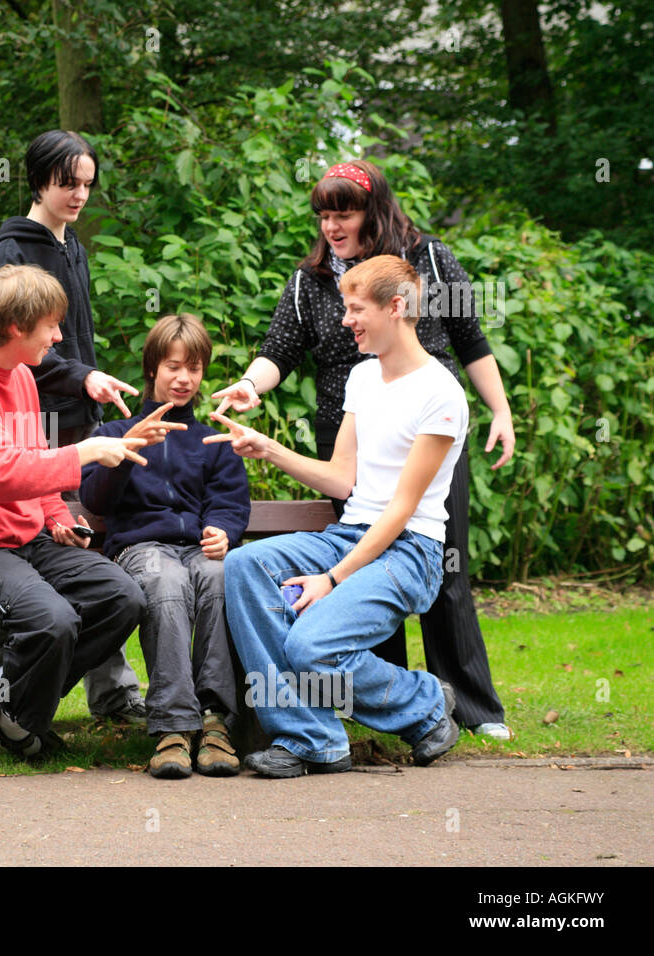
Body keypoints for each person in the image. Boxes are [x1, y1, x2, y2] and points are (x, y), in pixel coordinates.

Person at [212, 159, 513, 738]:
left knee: (441, 569)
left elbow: (471, 340)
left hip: (427, 429)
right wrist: (251, 389)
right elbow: (280, 348)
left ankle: (464, 705)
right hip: (349, 428)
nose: (331, 225)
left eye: (342, 213)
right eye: (323, 215)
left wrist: (499, 409)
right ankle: (372, 704)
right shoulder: (313, 280)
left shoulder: (427, 262)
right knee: (346, 572)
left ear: (372, 212)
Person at [214, 255, 464, 776]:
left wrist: (333, 577)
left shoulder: (442, 394)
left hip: (410, 550)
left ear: (395, 307)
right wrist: (268, 448)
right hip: (349, 533)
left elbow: (400, 509)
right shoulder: (363, 377)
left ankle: (426, 701)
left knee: (312, 647)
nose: (345, 320)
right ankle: (311, 737)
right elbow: (342, 480)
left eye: (355, 309)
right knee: (244, 565)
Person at [0, 129, 147, 723]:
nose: (80, 193)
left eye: (88, 183)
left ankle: (106, 692)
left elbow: (65, 337)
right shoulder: (11, 252)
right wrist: (82, 377)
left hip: (72, 420)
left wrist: (91, 383)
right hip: (30, 418)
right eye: (69, 183)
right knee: (5, 548)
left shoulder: (73, 245)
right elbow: (14, 344)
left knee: (80, 551)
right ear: (39, 181)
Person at [0, 264, 150, 773]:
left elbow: (33, 453)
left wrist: (56, 514)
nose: (60, 335)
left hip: (28, 536)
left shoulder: (21, 376)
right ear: (18, 329)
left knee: (124, 598)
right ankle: (24, 723)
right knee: (54, 620)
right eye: (51, 325)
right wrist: (86, 452)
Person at [79, 314, 251, 779]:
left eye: (193, 368)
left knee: (219, 578)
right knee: (166, 582)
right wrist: (127, 452)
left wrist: (222, 530)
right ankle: (173, 727)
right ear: (152, 368)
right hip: (142, 548)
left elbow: (230, 500)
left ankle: (216, 723)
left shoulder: (212, 437)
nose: (184, 379)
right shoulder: (114, 433)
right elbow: (94, 499)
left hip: (198, 549)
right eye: (173, 367)